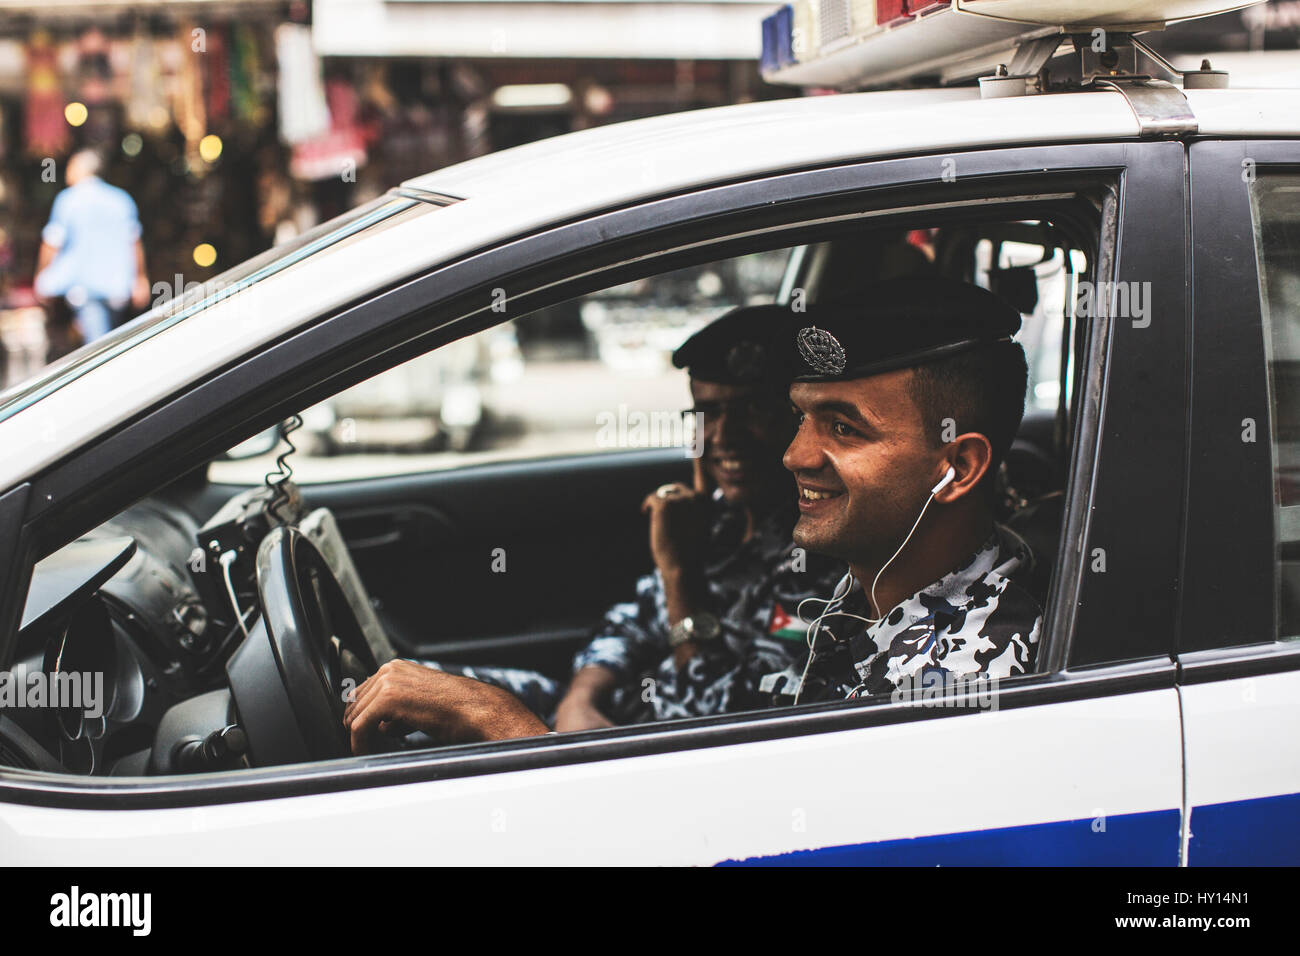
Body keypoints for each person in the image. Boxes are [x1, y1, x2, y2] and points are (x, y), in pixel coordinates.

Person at [343, 279, 1044, 748]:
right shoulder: (873, 586)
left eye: (843, 428)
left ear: (956, 467)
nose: (795, 455)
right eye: (801, 418)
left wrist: (505, 727)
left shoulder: (955, 679)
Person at [344, 304, 844, 751]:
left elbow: (710, 726)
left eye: (752, 411)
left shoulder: (826, 552)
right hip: (596, 724)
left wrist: (679, 576)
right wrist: (581, 700)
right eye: (708, 413)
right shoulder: (717, 520)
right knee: (394, 697)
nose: (724, 437)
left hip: (641, 763)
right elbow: (623, 624)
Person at [34, 149, 150, 344]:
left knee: (98, 348)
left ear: (80, 170)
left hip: (85, 288)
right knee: (111, 341)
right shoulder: (120, 199)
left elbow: (52, 243)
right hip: (117, 287)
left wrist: (42, 276)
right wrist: (140, 278)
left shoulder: (68, 200)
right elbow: (134, 243)